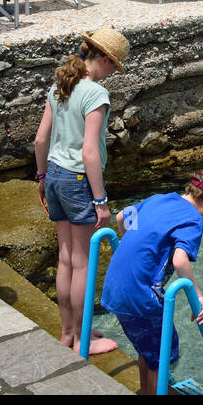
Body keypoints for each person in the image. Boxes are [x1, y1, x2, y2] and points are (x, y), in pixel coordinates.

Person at [34, 26, 130, 356]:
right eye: (112, 68)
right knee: (83, 262)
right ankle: (82, 341)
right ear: (104, 59)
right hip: (78, 182)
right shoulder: (95, 95)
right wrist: (101, 200)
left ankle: (68, 332)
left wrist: (43, 177)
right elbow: (90, 151)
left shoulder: (60, 86)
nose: (110, 75)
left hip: (56, 176)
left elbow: (40, 140)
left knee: (65, 259)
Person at [102, 169, 203, 395]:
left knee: (149, 349)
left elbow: (121, 217)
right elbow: (180, 260)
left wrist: (132, 245)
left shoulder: (160, 199)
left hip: (114, 287)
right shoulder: (193, 220)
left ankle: (146, 391)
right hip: (139, 295)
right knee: (164, 352)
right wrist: (199, 296)